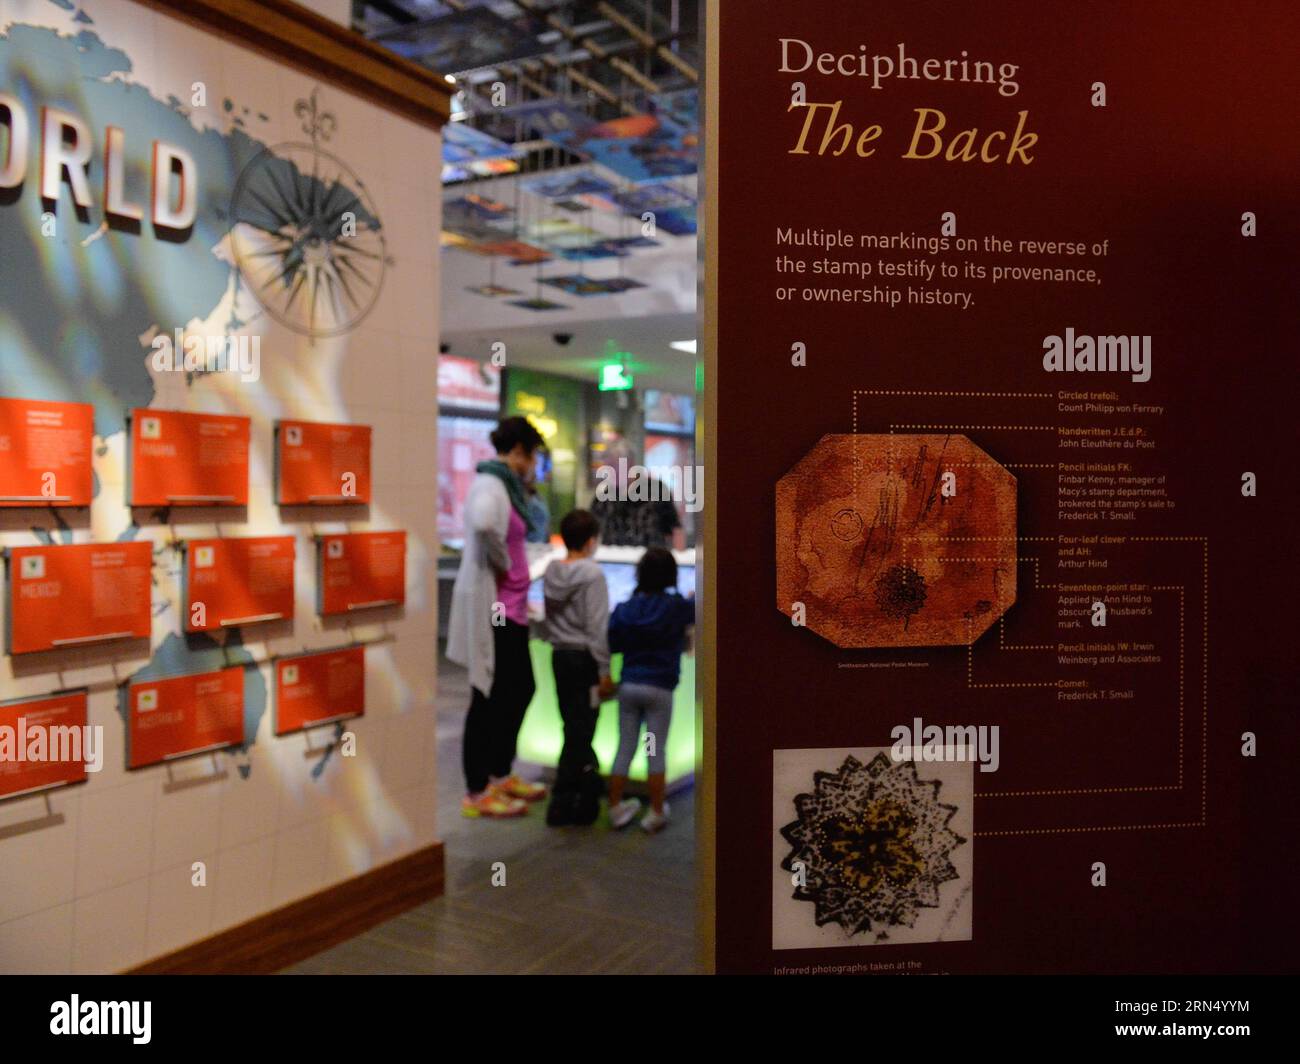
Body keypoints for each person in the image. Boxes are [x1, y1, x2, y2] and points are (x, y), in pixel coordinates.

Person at [446, 416, 549, 818]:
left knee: (519, 689)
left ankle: (500, 772)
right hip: (497, 611)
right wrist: (506, 563)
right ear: (520, 451)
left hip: (514, 609)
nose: (534, 463)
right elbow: (485, 524)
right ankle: (477, 789)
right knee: (488, 695)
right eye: (533, 454)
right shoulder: (490, 484)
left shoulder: (509, 486)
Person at [606, 547, 694, 833]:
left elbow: (613, 641)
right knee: (655, 752)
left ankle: (616, 808)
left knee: (624, 748)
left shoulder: (626, 608)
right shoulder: (676, 607)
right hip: (659, 689)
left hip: (629, 685)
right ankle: (655, 812)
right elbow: (697, 612)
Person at [541, 509, 615, 826]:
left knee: (573, 725)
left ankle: (580, 796)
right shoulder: (593, 574)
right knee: (582, 728)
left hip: (560, 657)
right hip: (584, 660)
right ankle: (568, 800)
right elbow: (597, 627)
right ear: (590, 541)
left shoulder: (551, 571)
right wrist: (604, 670)